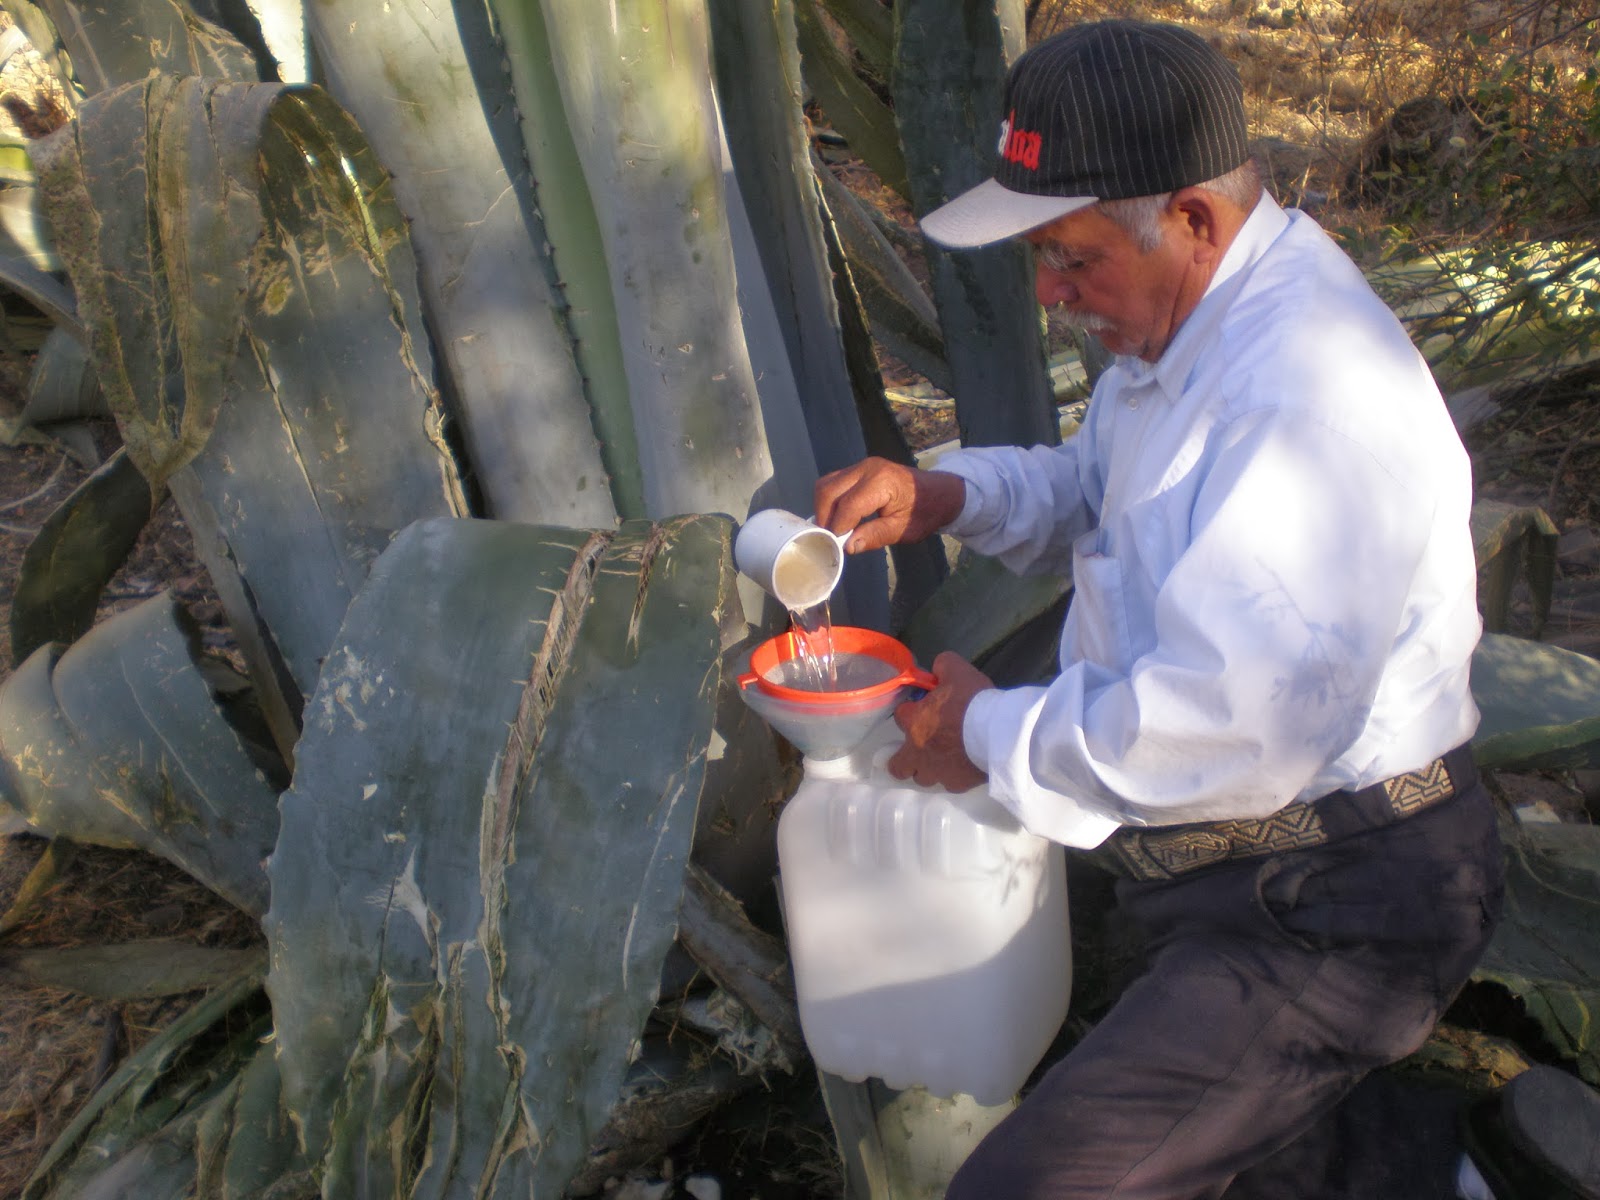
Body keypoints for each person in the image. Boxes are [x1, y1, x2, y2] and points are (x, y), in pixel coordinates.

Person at [813, 19, 1600, 1200]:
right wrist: (949, 494)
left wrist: (979, 728)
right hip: (1240, 861)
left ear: (1191, 217)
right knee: (1235, 1154)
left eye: (1070, 257)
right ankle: (1482, 1170)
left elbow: (1228, 729)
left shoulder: (1301, 398)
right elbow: (1106, 494)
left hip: (1335, 903)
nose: (1049, 292)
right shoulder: (1194, 325)